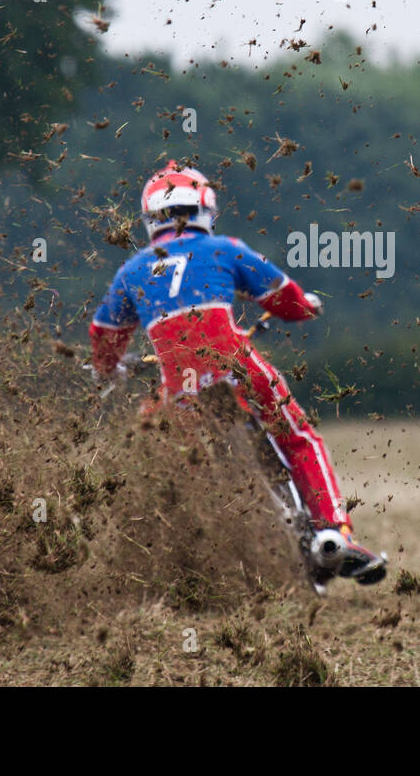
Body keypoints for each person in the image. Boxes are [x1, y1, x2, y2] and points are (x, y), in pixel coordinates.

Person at [89, 160, 386, 586]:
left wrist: (107, 370)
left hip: (181, 392)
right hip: (235, 368)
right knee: (299, 439)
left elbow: (104, 335)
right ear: (206, 209)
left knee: (164, 461)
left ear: (149, 219)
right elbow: (288, 299)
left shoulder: (132, 271)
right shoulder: (225, 250)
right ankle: (332, 532)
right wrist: (308, 307)